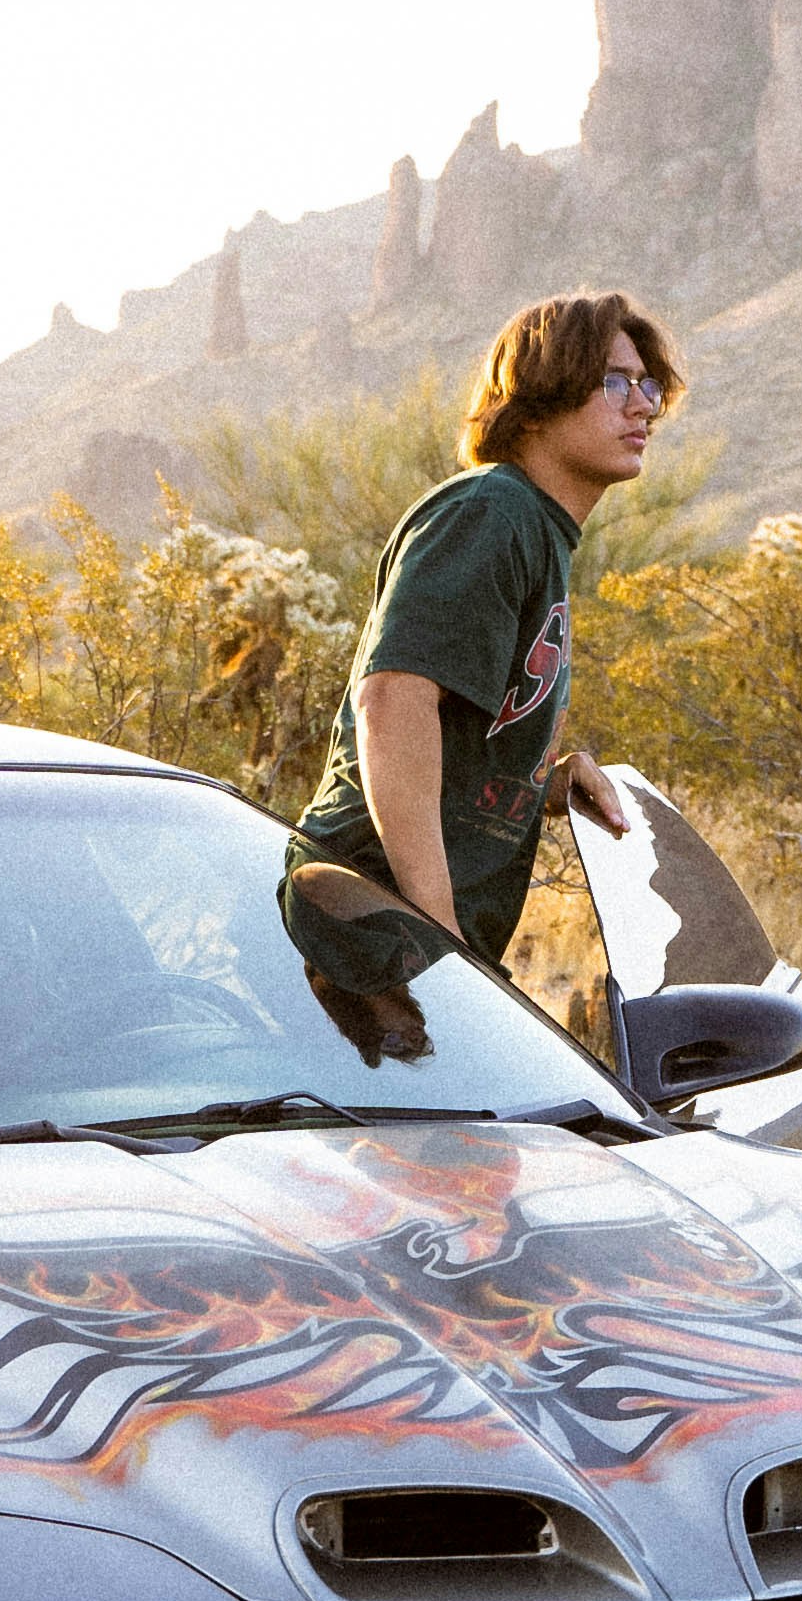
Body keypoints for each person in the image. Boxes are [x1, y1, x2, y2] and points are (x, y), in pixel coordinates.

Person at [282, 289, 677, 1054]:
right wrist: (443, 946)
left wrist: (547, 779)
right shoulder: (493, 511)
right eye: (615, 383)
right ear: (535, 404)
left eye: (650, 385)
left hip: (400, 943)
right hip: (366, 937)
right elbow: (393, 701)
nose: (643, 406)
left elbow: (463, 733)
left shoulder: (538, 533)